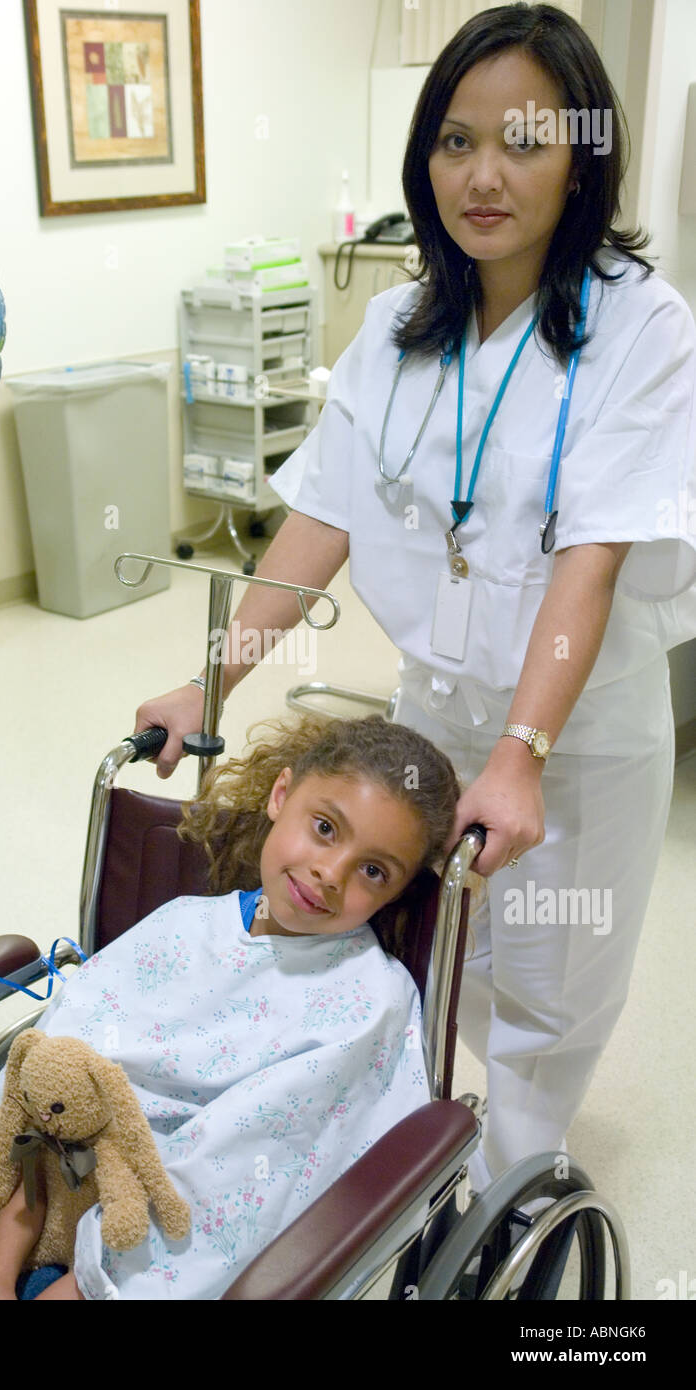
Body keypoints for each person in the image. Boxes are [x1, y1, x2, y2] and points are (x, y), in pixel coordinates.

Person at [135, 3, 696, 1197]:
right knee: (420, 936)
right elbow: (317, 529)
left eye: (522, 140)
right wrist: (210, 680)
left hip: (574, 731)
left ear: (582, 157)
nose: (480, 173)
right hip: (434, 711)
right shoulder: (394, 325)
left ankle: (509, 1184)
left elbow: (586, 556)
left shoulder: (641, 328)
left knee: (550, 974)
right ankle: (409, 1141)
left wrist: (523, 750)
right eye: (453, 140)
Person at [0, 712, 457, 1299]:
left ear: (398, 892)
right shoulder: (182, 925)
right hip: (29, 1219)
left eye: (373, 870)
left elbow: (236, 1184)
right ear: (280, 796)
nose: (329, 874)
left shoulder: (367, 1005)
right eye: (325, 828)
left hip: (161, 1270)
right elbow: (54, 1090)